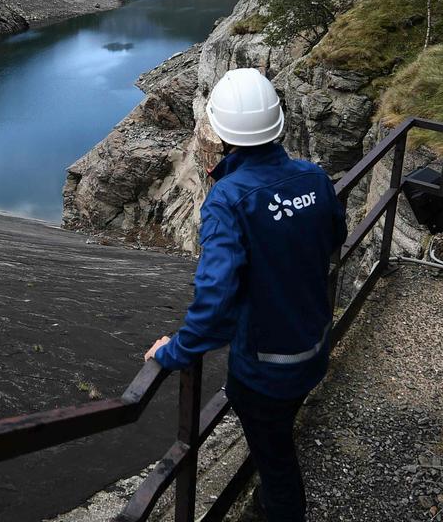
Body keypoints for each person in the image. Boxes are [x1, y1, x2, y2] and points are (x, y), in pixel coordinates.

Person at [144, 68, 345, 522]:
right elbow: (334, 239)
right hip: (313, 348)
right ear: (277, 121)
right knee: (276, 437)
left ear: (221, 130)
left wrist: (174, 351)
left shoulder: (228, 198)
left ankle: (277, 511)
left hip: (263, 373)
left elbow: (214, 301)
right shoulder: (313, 177)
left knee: (275, 461)